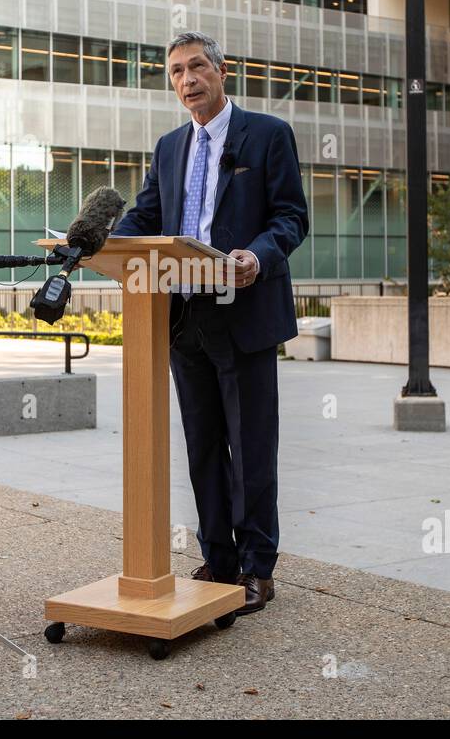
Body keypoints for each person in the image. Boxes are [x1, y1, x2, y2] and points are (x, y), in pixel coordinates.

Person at [113, 30, 308, 614]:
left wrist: (258, 254)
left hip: (245, 313)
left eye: (196, 67)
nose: (186, 80)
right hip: (182, 319)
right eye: (175, 71)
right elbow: (147, 214)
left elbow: (291, 217)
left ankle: (256, 569)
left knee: (250, 449)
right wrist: (95, 242)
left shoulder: (268, 135)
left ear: (222, 72)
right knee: (202, 447)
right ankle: (217, 559)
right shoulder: (169, 146)